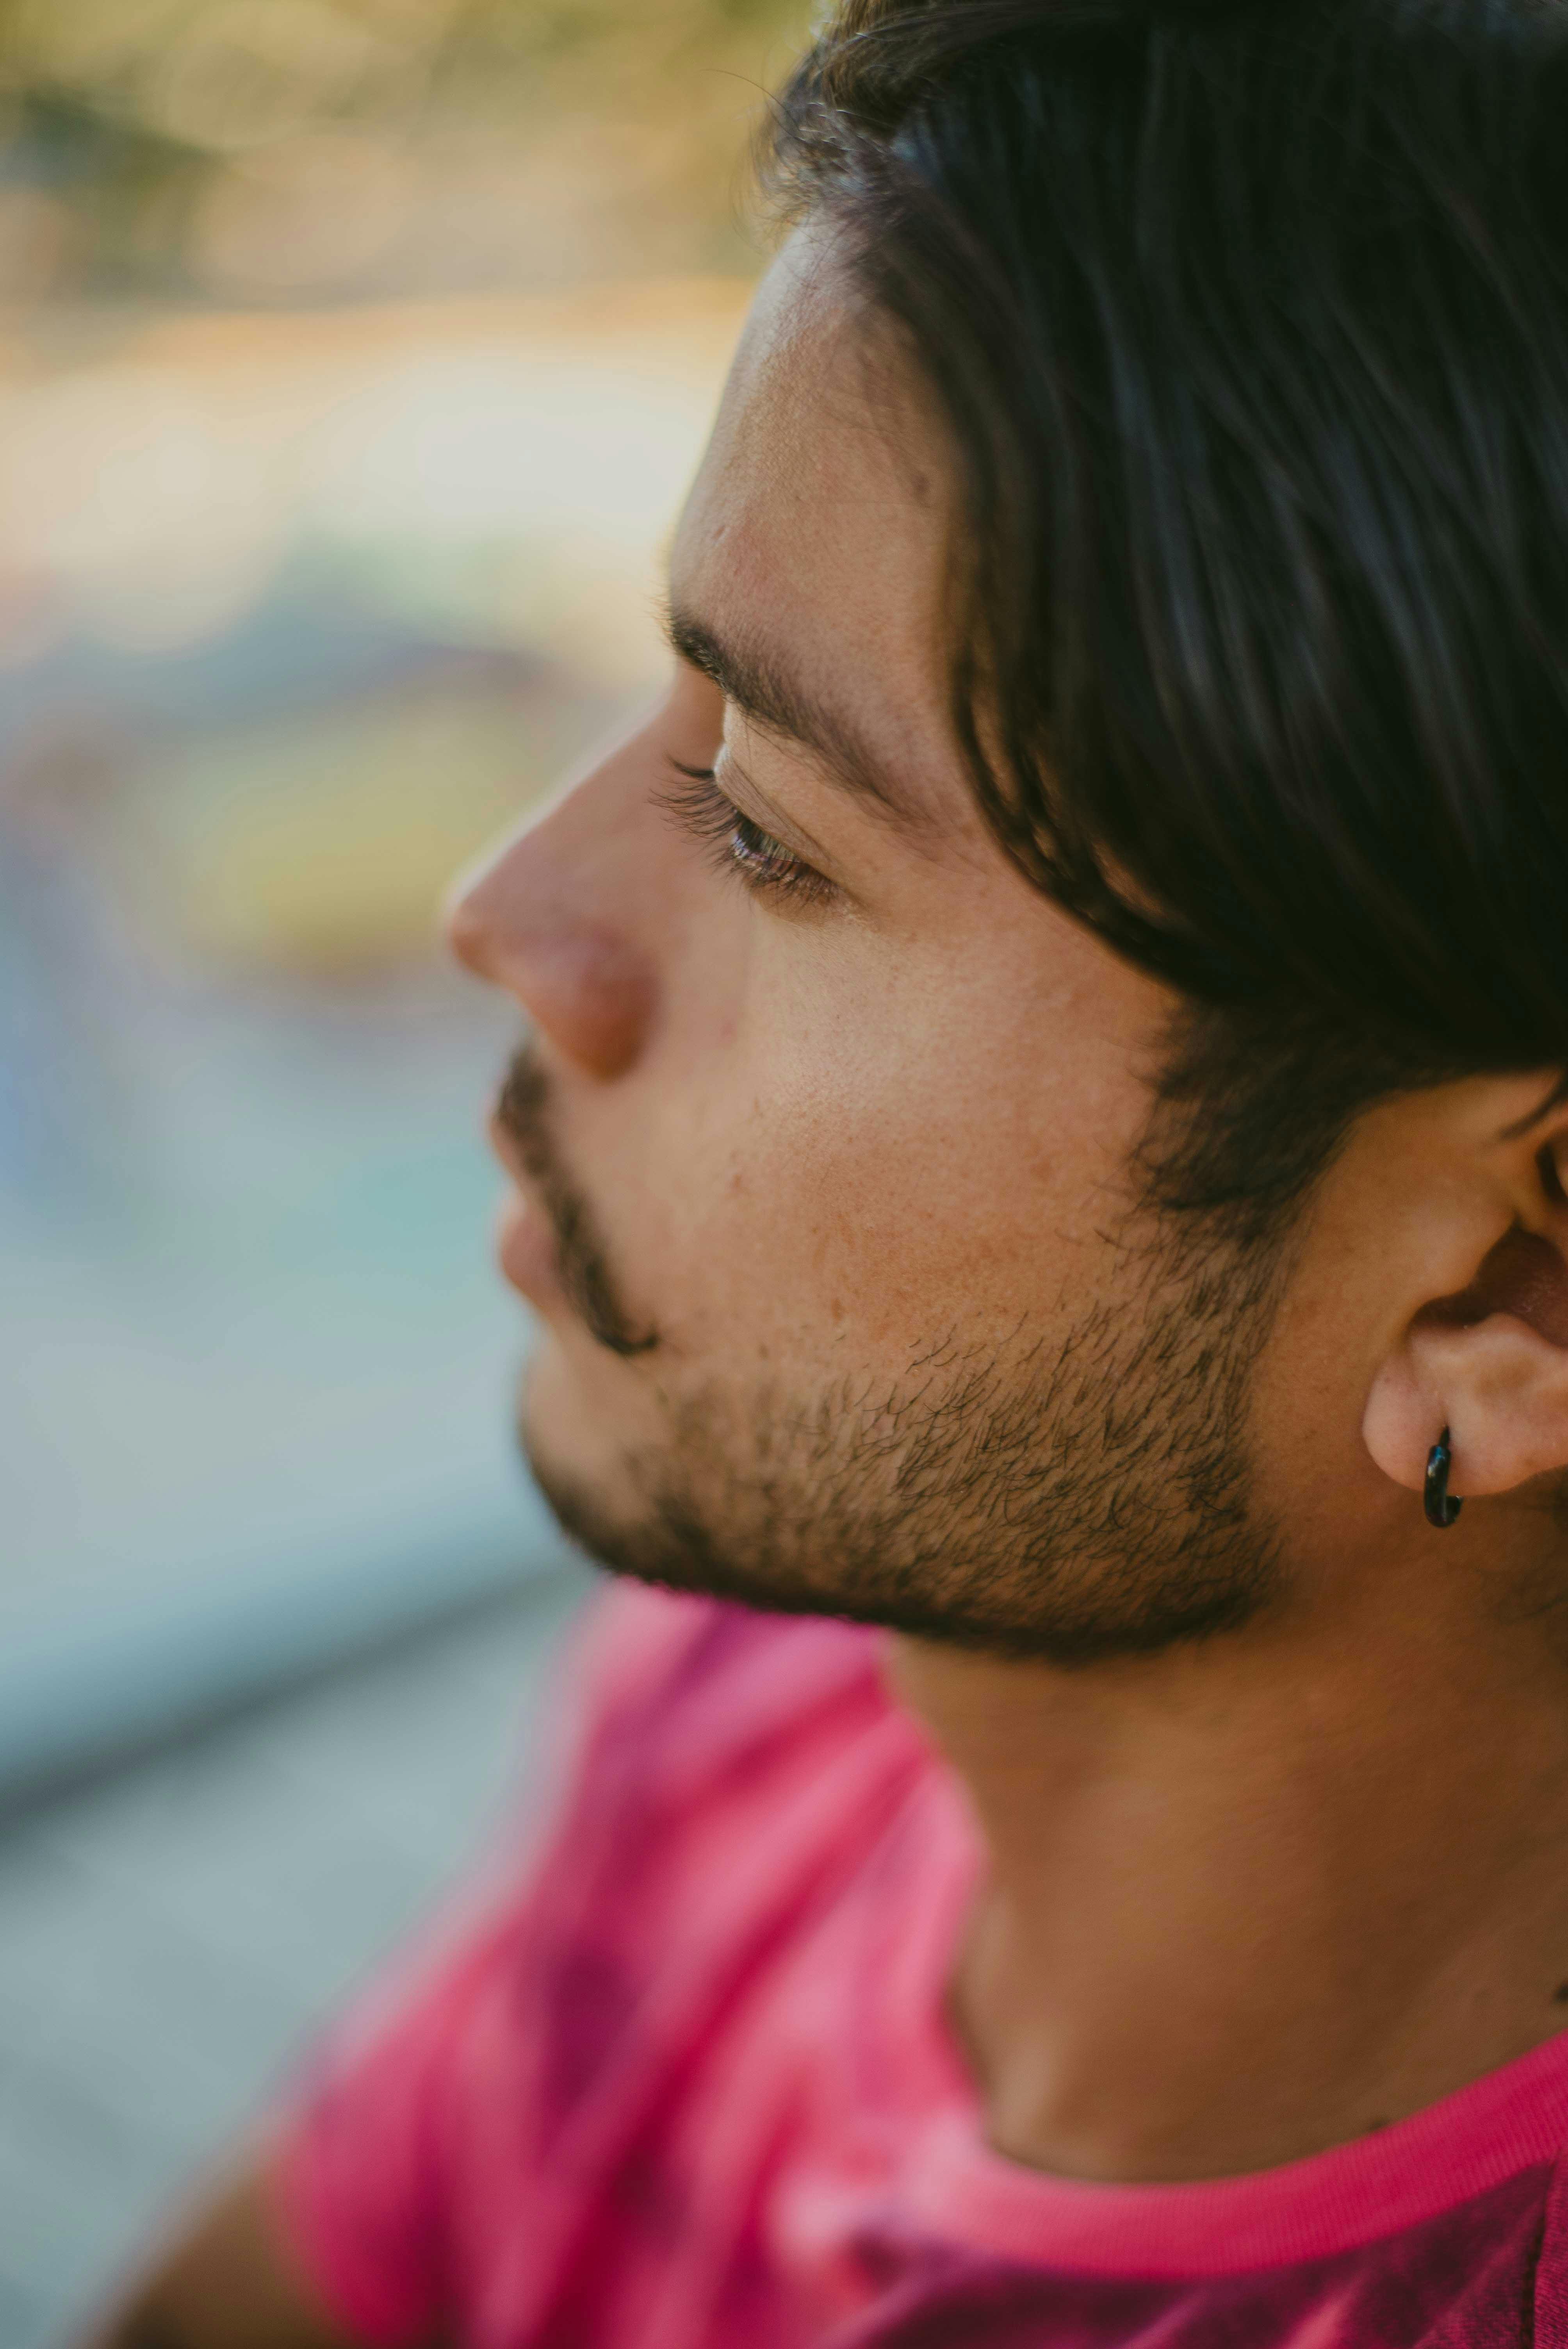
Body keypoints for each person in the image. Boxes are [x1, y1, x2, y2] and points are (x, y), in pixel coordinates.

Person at [85, 0, 1568, 2342]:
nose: (510, 911)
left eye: (768, 829)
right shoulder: (769, 1694)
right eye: (667, 704)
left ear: (1510, 1281)